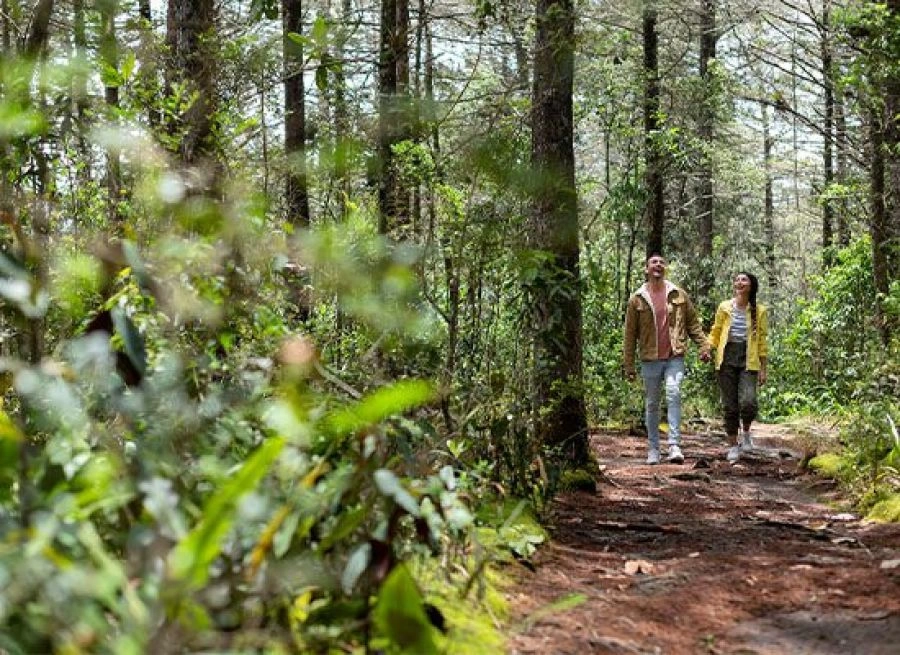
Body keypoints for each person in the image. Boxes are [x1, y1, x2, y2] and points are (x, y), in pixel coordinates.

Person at [623, 253, 710, 465]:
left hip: (674, 355)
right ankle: (653, 449)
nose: (658, 265)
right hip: (649, 358)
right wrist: (629, 364)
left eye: (661, 262)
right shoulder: (637, 299)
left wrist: (704, 346)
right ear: (646, 269)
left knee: (674, 393)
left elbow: (692, 323)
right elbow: (630, 334)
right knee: (652, 403)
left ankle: (674, 446)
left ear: (666, 268)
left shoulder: (678, 294)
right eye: (654, 262)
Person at [708, 271, 769, 463]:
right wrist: (707, 348)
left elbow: (762, 341)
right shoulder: (725, 307)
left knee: (748, 401)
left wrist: (763, 368)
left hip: (748, 358)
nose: (739, 282)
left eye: (744, 279)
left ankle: (747, 433)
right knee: (730, 405)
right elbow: (716, 332)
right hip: (726, 358)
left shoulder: (759, 311)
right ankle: (733, 445)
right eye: (737, 279)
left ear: (751, 286)